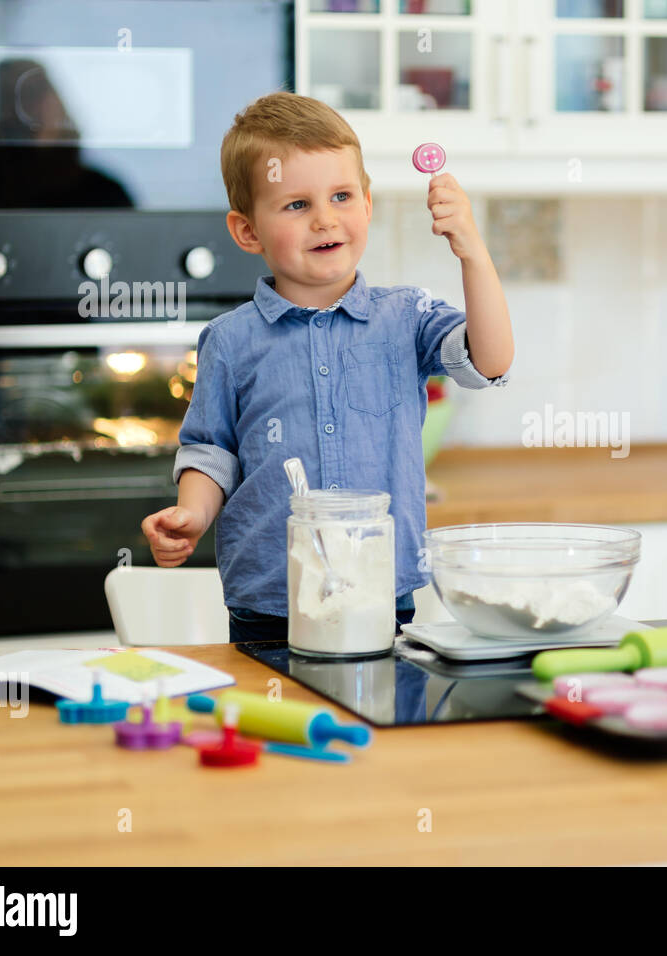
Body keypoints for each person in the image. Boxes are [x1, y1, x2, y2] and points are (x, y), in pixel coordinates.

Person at [140, 92, 513, 640]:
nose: (325, 220)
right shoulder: (229, 340)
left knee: (373, 719)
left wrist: (473, 253)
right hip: (269, 602)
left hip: (381, 591)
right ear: (247, 231)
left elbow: (491, 359)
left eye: (341, 196)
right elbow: (210, 449)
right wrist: (193, 513)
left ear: (367, 203)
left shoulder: (406, 316)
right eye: (296, 205)